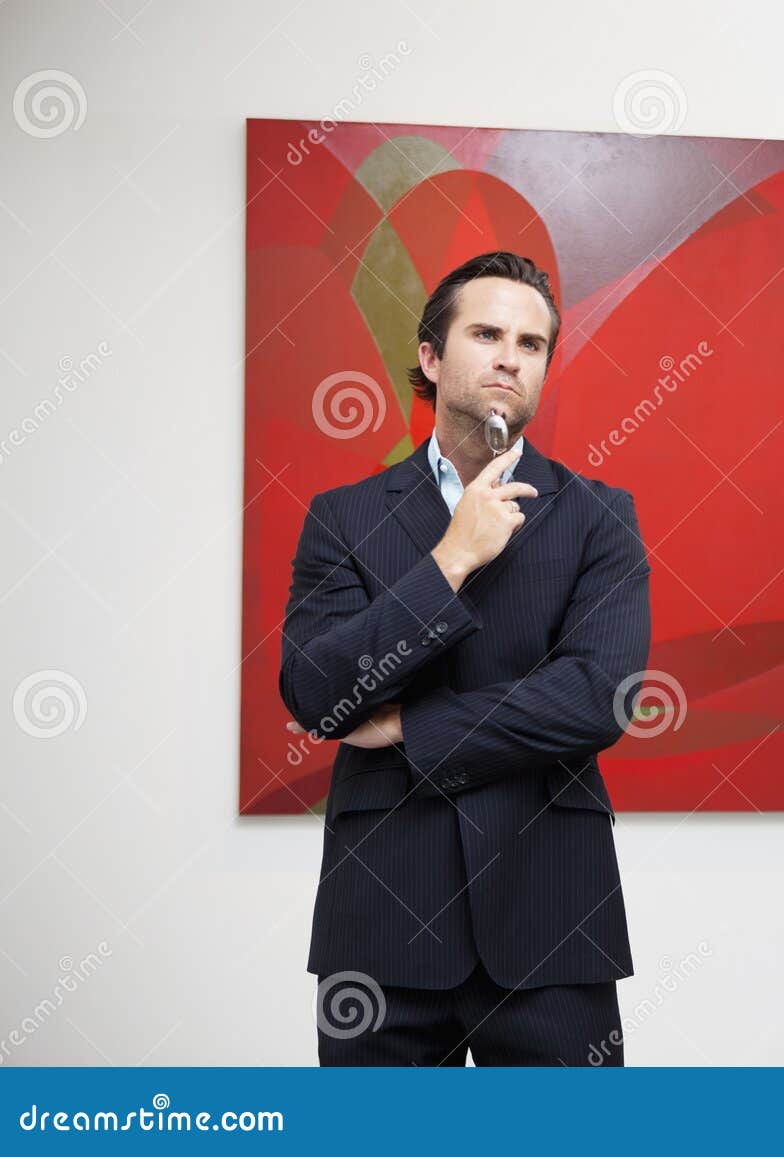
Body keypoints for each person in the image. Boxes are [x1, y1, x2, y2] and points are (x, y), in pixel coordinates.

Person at [278, 251, 651, 1065]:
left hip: (553, 921)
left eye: (532, 341)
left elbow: (598, 696)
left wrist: (411, 723)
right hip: (380, 925)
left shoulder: (599, 518)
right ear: (431, 356)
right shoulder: (342, 519)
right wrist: (449, 560)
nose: (510, 356)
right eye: (486, 333)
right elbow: (317, 693)